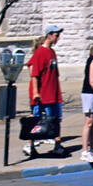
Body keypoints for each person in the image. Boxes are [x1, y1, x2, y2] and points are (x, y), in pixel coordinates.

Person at [25, 25, 64, 156]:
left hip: (53, 93)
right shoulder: (40, 53)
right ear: (49, 35)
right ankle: (30, 146)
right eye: (56, 35)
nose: (58, 38)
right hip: (43, 95)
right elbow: (34, 75)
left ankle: (58, 146)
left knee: (56, 120)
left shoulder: (52, 52)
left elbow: (54, 74)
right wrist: (36, 92)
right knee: (36, 121)